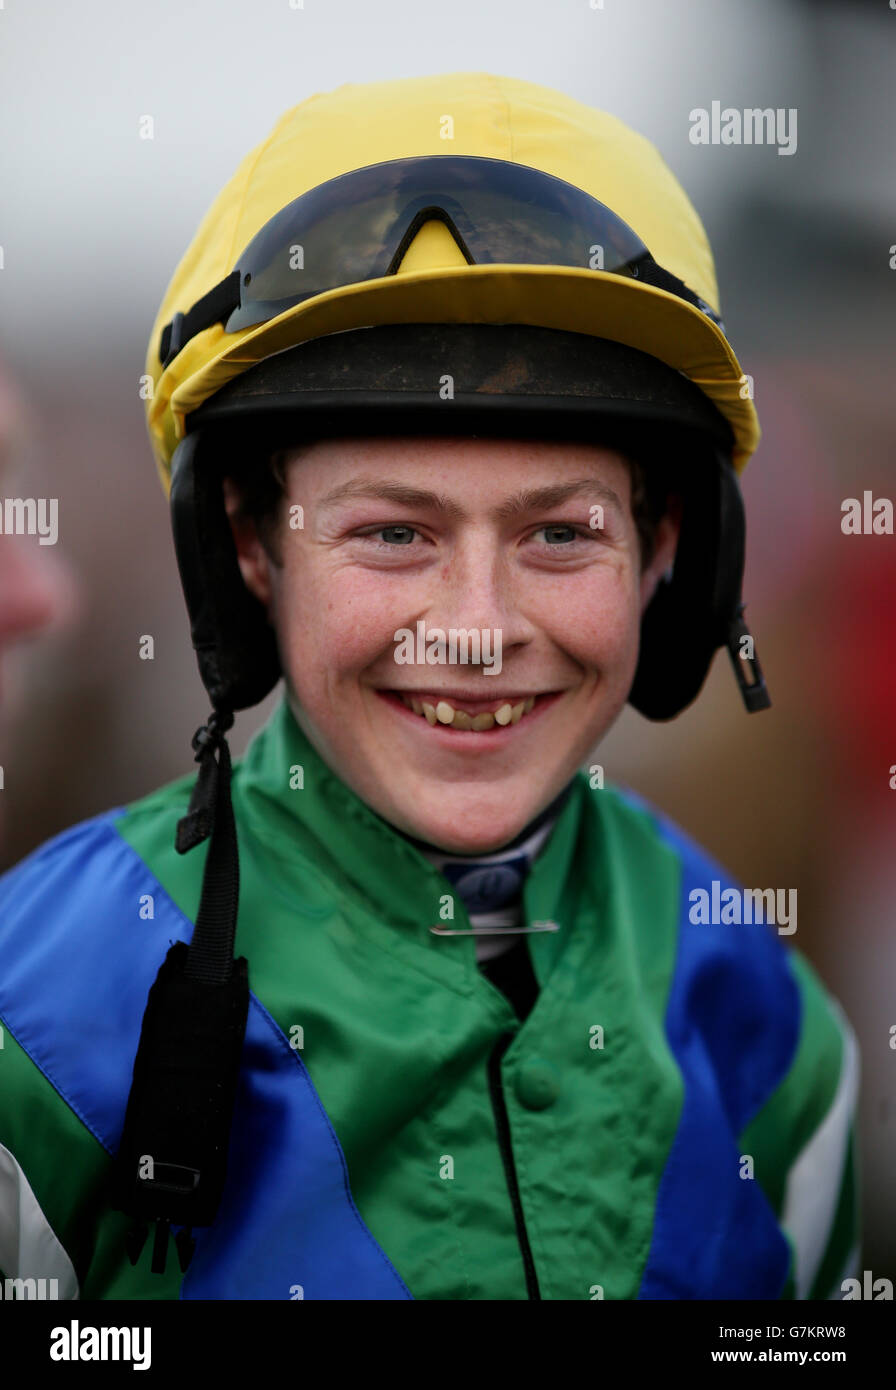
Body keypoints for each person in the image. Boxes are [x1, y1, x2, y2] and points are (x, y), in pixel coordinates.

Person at [0, 72, 858, 1301]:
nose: (474, 631)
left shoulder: (757, 1005)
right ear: (247, 546)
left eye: (559, 535)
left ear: (669, 550)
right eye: (393, 535)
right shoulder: (34, 1023)